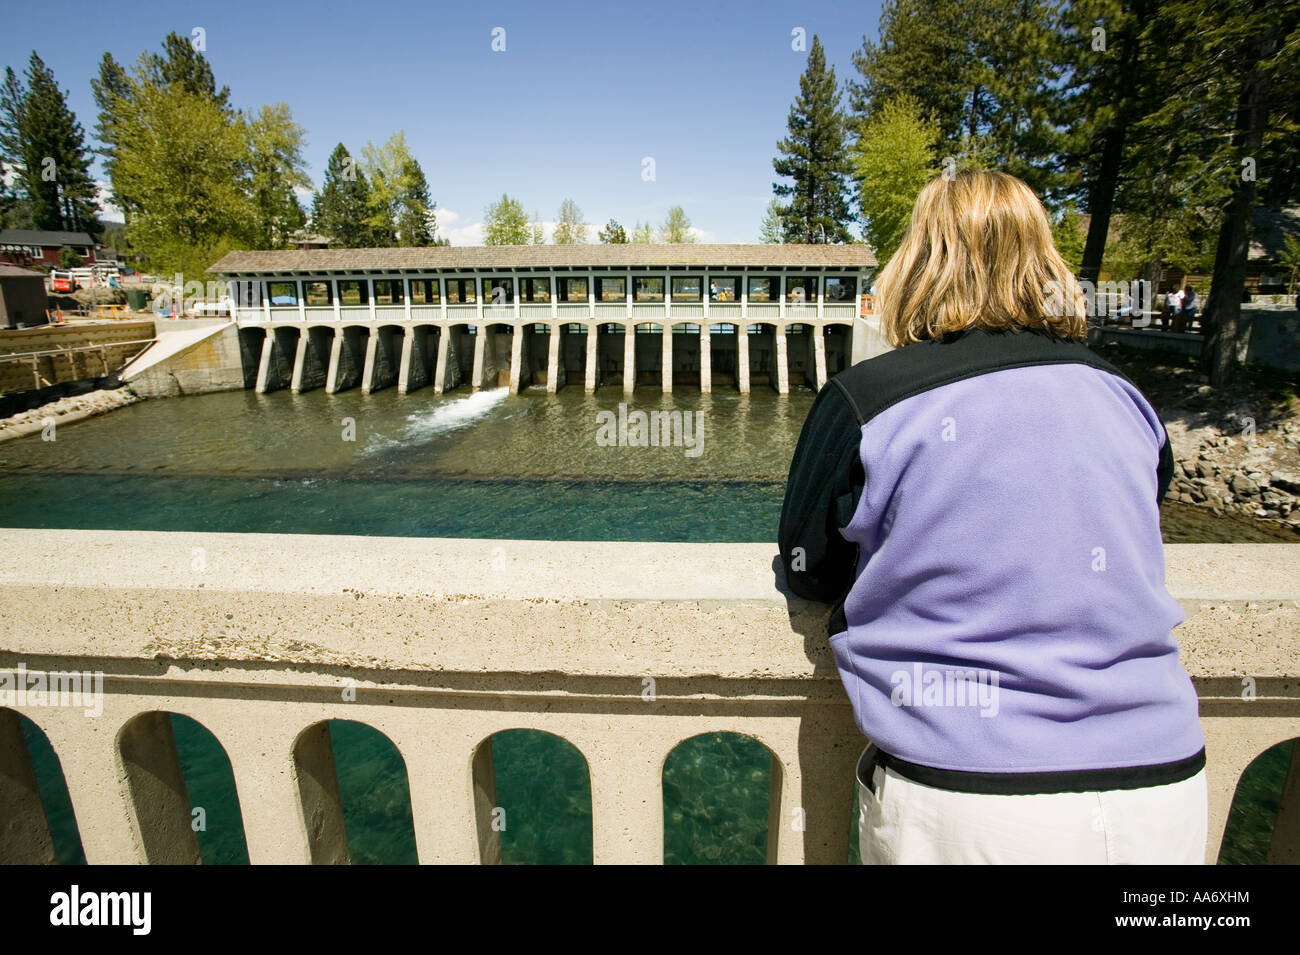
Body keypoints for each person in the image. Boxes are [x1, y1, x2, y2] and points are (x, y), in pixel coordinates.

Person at [778, 169, 1207, 865]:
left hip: (968, 792)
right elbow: (1127, 526)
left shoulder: (869, 398)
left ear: (916, 262)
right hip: (1164, 786)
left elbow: (809, 568)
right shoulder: (1125, 396)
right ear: (1045, 259)